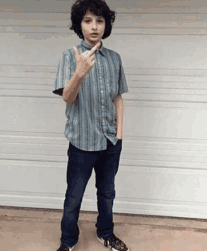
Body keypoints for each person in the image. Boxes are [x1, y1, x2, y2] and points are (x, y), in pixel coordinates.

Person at [53, 0, 129, 250]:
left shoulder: (114, 59)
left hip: (110, 142)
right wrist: (80, 73)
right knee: (73, 198)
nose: (94, 27)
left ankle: (105, 233)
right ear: (79, 25)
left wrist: (118, 135)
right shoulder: (69, 56)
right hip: (81, 143)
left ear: (106, 25)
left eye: (99, 20)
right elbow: (67, 97)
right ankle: (68, 241)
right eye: (87, 21)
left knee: (107, 195)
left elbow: (118, 97)